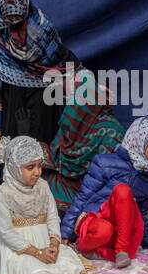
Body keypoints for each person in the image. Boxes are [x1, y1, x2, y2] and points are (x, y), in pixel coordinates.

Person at [0, 0, 82, 144]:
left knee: (41, 134)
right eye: (9, 17)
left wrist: (76, 77)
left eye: (18, 17)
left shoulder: (41, 25)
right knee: (15, 136)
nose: (14, 21)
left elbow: (59, 55)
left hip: (42, 87)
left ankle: (43, 169)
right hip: (13, 87)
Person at [60, 115, 148, 267]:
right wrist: (66, 233)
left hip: (120, 236)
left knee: (126, 196)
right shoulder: (105, 162)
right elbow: (83, 198)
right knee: (121, 193)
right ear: (138, 141)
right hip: (96, 223)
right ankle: (83, 248)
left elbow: (142, 213)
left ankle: (119, 252)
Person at [0, 136, 85, 274]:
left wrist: (54, 244)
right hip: (18, 247)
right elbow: (6, 232)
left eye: (39, 166)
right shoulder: (3, 194)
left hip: (44, 240)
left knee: (67, 267)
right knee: (34, 273)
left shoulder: (43, 186)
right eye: (30, 167)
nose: (37, 172)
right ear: (14, 167)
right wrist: (37, 253)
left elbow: (53, 217)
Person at [40, 83, 125, 211]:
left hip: (71, 187)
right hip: (96, 194)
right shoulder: (114, 131)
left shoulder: (71, 117)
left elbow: (54, 152)